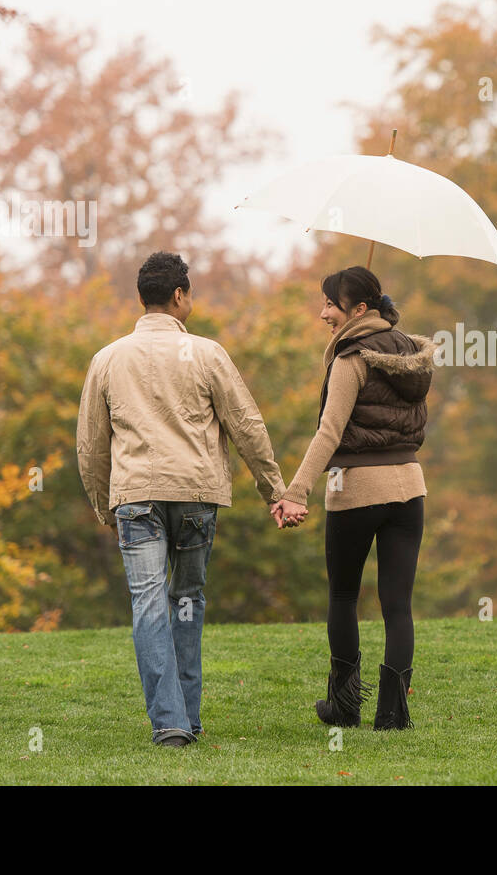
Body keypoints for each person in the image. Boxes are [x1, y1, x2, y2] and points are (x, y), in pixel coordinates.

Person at [76, 251, 301, 747]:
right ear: (180, 296)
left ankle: (171, 723)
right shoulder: (207, 353)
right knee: (186, 600)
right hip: (197, 495)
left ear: (141, 299)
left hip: (135, 497)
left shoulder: (107, 359)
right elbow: (247, 426)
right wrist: (275, 492)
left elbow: (90, 444)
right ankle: (188, 716)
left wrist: (102, 503)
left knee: (148, 602)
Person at [274, 266, 435, 730]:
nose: (323, 312)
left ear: (358, 310)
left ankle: (344, 705)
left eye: (330, 304)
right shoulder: (412, 354)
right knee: (398, 604)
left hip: (357, 489)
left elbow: (329, 432)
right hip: (409, 489)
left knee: (343, 595)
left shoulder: (351, 358)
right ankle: (393, 713)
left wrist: (295, 491)